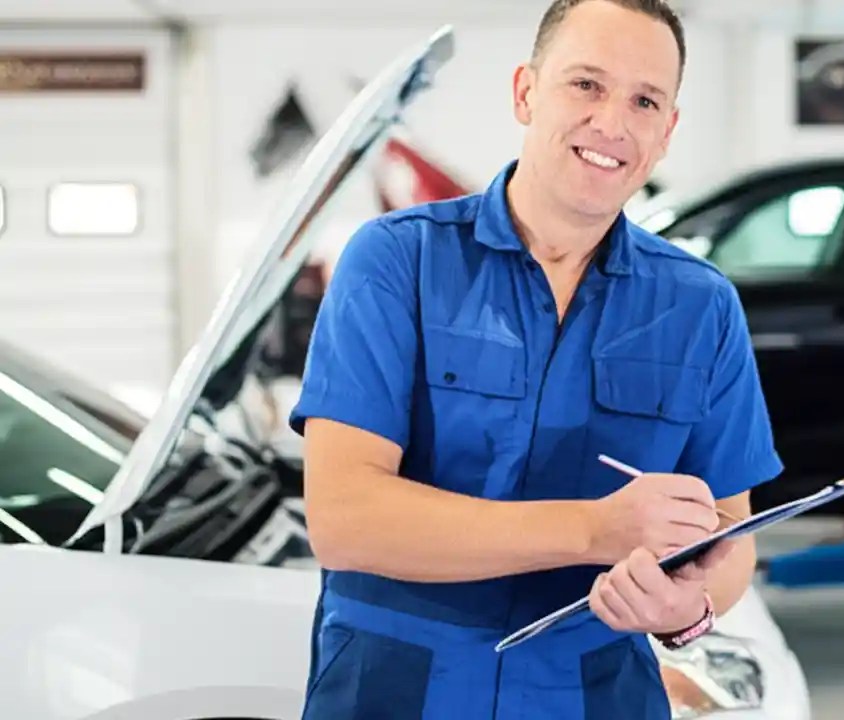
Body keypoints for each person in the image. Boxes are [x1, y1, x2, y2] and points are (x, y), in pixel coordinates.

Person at [287, 0, 783, 718]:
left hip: (593, 687)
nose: (612, 122)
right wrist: (595, 530)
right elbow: (344, 515)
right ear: (526, 91)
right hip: (398, 684)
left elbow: (729, 534)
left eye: (645, 100)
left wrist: (685, 605)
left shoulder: (700, 307)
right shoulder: (398, 261)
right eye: (586, 84)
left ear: (667, 131)